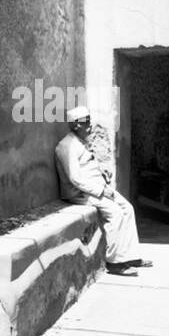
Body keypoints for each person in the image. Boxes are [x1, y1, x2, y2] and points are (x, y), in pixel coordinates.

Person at [55, 105, 152, 276]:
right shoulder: (66, 146)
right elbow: (75, 179)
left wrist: (100, 169)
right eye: (86, 123)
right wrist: (101, 191)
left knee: (127, 208)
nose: (89, 126)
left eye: (89, 122)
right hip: (81, 194)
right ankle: (115, 263)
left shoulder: (80, 142)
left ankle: (130, 256)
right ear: (75, 125)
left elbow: (87, 165)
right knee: (115, 212)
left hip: (97, 189)